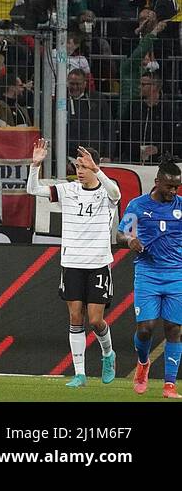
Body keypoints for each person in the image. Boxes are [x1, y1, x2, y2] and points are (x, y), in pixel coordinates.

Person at [26, 139, 119, 389]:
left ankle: (108, 354)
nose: (79, 170)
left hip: (98, 263)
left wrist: (98, 170)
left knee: (96, 320)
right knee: (75, 316)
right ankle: (80, 374)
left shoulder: (107, 191)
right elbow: (33, 190)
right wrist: (35, 165)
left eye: (84, 166)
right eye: (77, 165)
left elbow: (117, 195)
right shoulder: (68, 190)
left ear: (95, 167)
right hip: (72, 262)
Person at [117, 160, 182, 398]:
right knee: (146, 329)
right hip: (148, 274)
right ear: (157, 182)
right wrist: (130, 240)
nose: (173, 192)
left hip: (176, 274)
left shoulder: (181, 206)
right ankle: (143, 364)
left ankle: (169, 385)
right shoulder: (138, 206)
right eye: (169, 187)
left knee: (174, 328)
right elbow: (121, 232)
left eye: (177, 187)